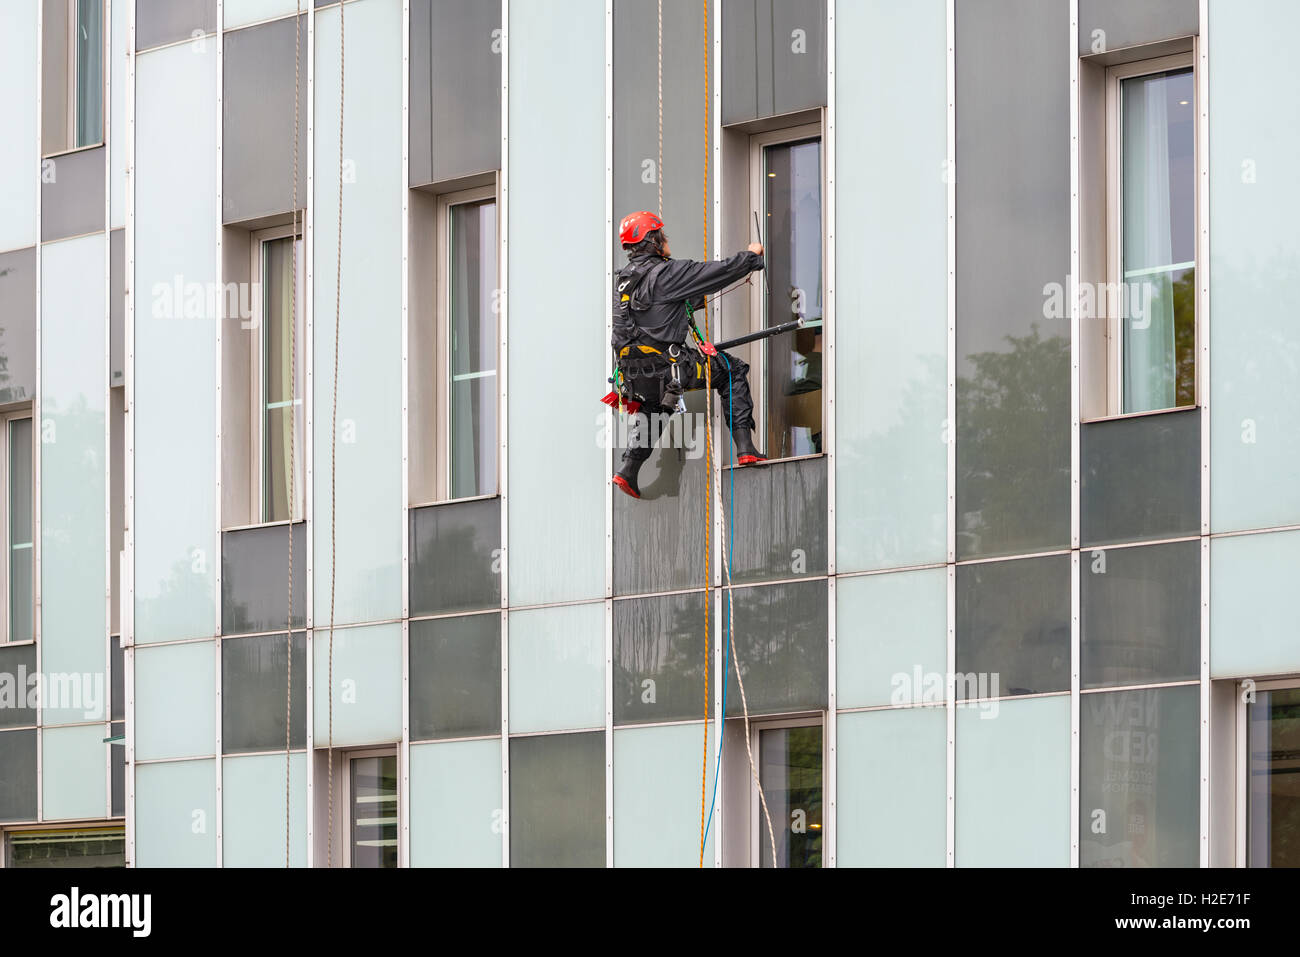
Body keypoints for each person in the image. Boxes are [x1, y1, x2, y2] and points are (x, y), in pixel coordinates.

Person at [610, 210, 767, 499]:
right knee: (731, 370)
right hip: (669, 367)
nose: (667, 239)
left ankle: (628, 472)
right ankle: (745, 448)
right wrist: (751, 256)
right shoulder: (667, 272)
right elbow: (718, 271)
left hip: (633, 377)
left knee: (654, 406)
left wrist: (690, 297)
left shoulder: (624, 281)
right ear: (654, 240)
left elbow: (655, 310)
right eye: (663, 235)